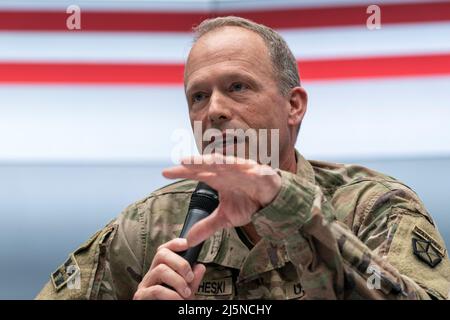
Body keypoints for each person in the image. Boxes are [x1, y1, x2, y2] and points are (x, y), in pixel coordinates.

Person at [36, 16, 449, 300]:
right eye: (198, 96)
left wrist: (291, 210)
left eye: (237, 87)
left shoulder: (374, 208)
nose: (213, 109)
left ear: (294, 106)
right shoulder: (149, 226)